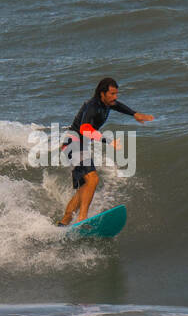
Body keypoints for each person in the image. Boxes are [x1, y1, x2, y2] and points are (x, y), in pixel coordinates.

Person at [56, 77, 154, 226]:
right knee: (93, 179)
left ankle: (64, 222)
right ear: (102, 93)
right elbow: (84, 128)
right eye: (112, 94)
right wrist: (108, 141)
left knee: (84, 187)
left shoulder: (107, 103)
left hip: (79, 145)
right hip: (73, 143)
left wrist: (134, 114)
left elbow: (118, 106)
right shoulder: (92, 106)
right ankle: (82, 219)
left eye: (116, 94)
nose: (115, 97)